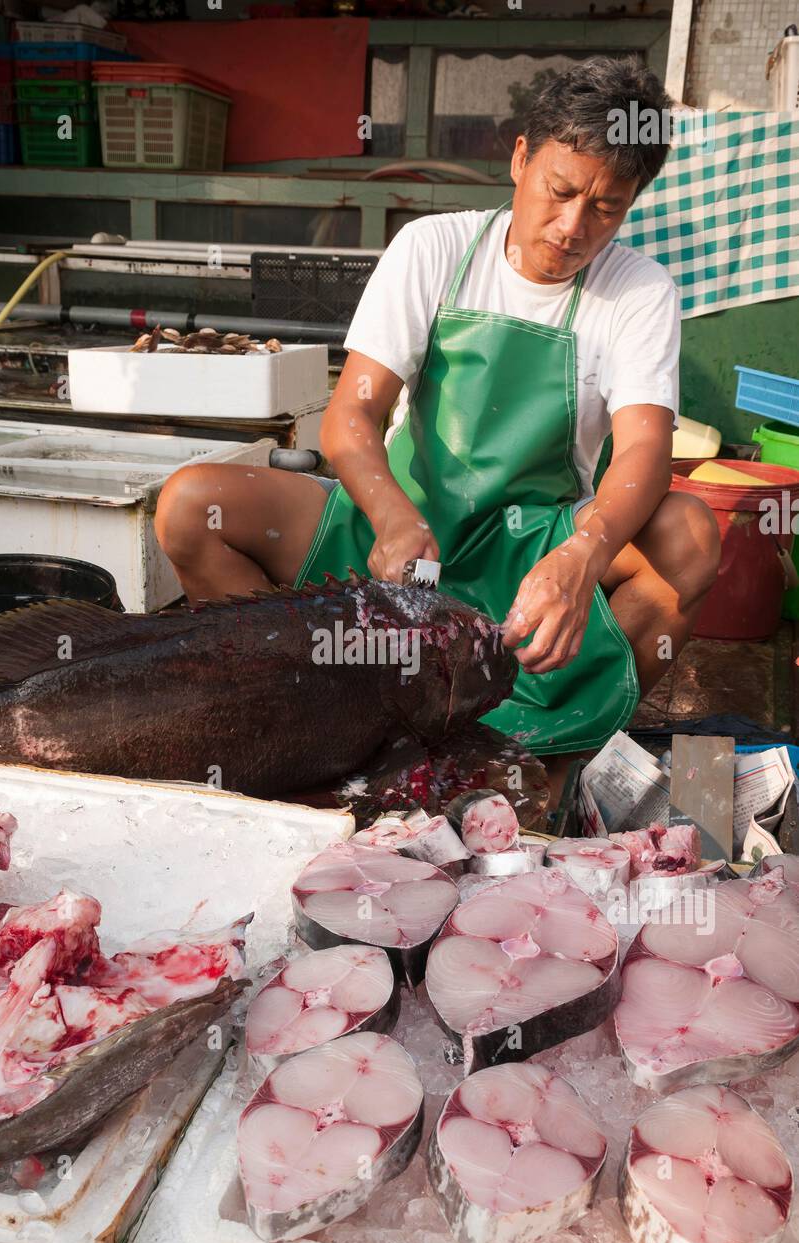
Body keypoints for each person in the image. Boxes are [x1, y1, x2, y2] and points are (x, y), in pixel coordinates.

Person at [155, 55, 721, 766]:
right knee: (191, 506)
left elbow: (644, 453)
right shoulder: (435, 248)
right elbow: (352, 415)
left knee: (690, 541)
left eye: (606, 207)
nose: (573, 226)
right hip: (399, 532)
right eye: (560, 190)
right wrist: (390, 514)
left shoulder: (639, 292)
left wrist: (583, 554)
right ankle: (309, 704)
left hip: (529, 550)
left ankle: (542, 742)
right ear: (520, 159)